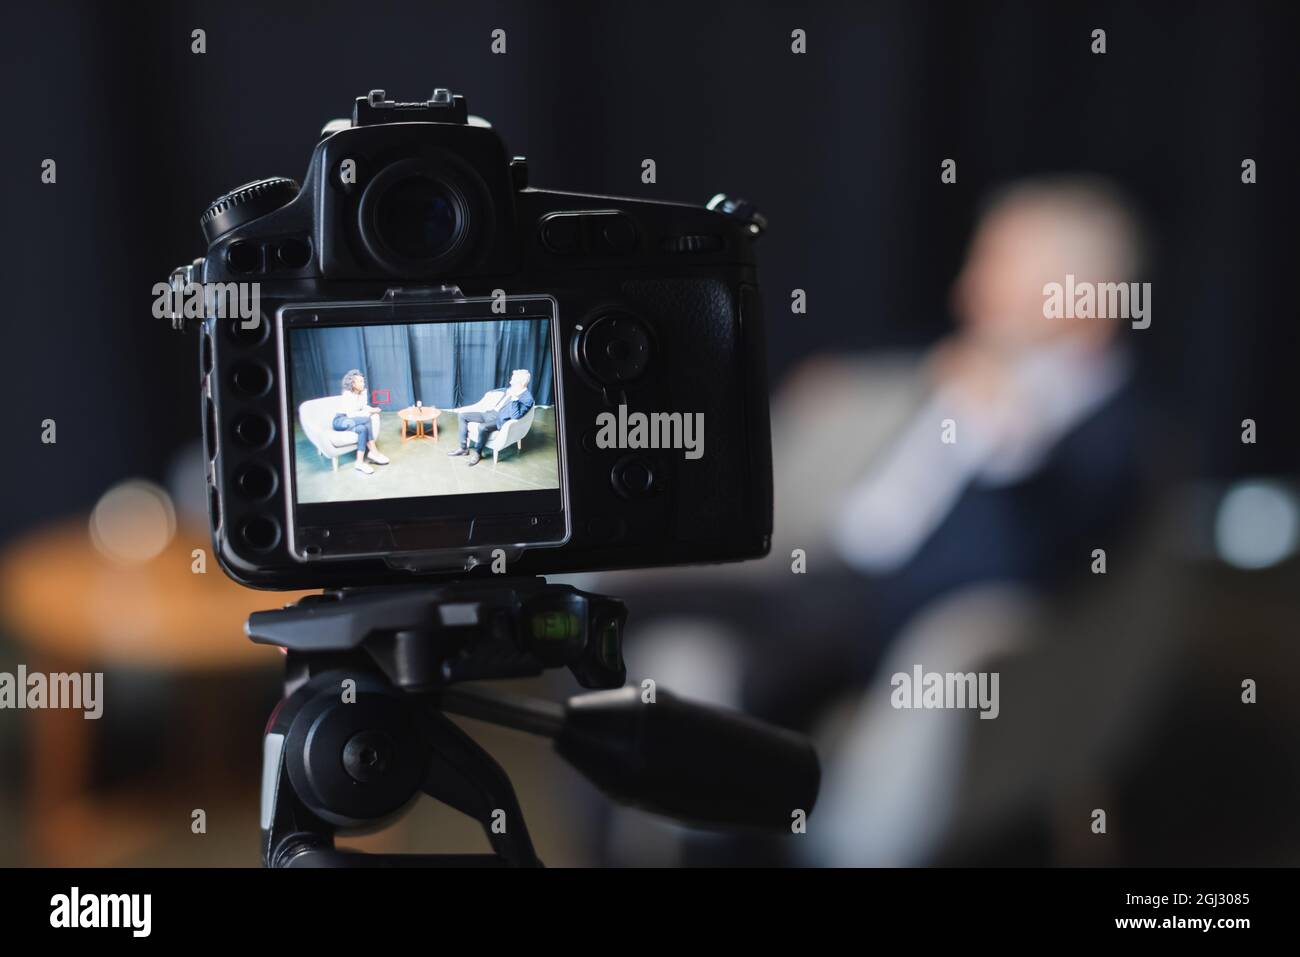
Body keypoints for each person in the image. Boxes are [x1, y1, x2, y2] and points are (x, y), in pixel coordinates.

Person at [448, 369, 534, 466]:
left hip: (499, 420)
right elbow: (504, 390)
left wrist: (514, 399)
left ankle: (478, 453)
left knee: (482, 427)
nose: (510, 382)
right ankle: (463, 449)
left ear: (521, 383)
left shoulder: (527, 399)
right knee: (462, 415)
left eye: (513, 380)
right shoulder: (513, 388)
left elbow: (515, 416)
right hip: (490, 413)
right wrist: (493, 392)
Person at [332, 369, 390, 474]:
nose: (363, 383)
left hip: (353, 421)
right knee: (367, 419)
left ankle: (359, 462)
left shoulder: (363, 392)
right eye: (360, 381)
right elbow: (350, 414)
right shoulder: (347, 395)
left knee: (362, 429)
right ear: (353, 384)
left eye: (363, 381)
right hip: (341, 421)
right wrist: (367, 414)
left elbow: (363, 407)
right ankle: (374, 452)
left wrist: (373, 409)